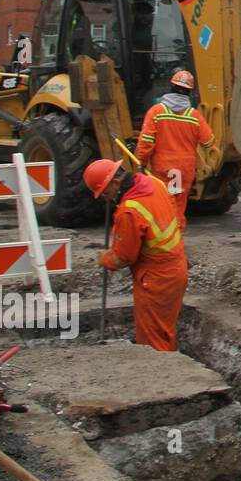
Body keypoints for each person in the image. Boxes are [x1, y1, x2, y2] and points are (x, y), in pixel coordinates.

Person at [85, 159, 188, 352]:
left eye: (105, 193)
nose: (106, 199)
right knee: (164, 329)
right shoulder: (154, 182)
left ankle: (160, 375)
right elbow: (173, 206)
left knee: (153, 338)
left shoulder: (130, 211)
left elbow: (123, 257)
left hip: (156, 279)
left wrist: (105, 259)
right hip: (175, 267)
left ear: (114, 183)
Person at [136, 70, 213, 229]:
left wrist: (141, 163)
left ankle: (163, 237)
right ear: (189, 92)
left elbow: (146, 143)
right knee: (177, 203)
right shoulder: (194, 116)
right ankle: (175, 238)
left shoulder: (156, 112)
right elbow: (209, 141)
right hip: (184, 169)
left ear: (171, 86)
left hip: (162, 167)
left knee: (162, 202)